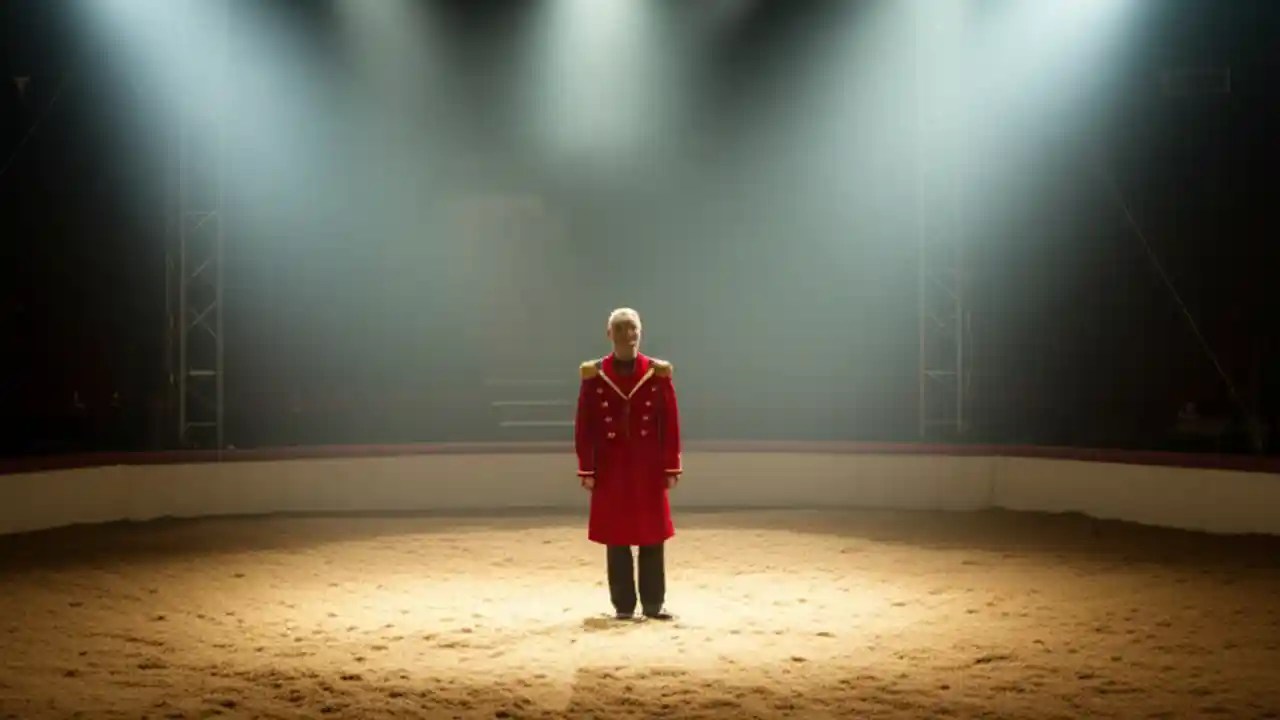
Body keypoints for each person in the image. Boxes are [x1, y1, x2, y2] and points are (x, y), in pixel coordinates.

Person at [575, 308, 682, 621]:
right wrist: (587, 468)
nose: (627, 335)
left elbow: (670, 424)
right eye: (620, 329)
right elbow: (585, 426)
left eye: (632, 328)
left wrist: (670, 466)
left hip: (648, 467)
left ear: (641, 331)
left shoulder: (657, 373)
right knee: (616, 536)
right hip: (611, 467)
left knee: (652, 535)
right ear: (609, 335)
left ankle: (653, 604)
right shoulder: (594, 375)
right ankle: (623, 606)